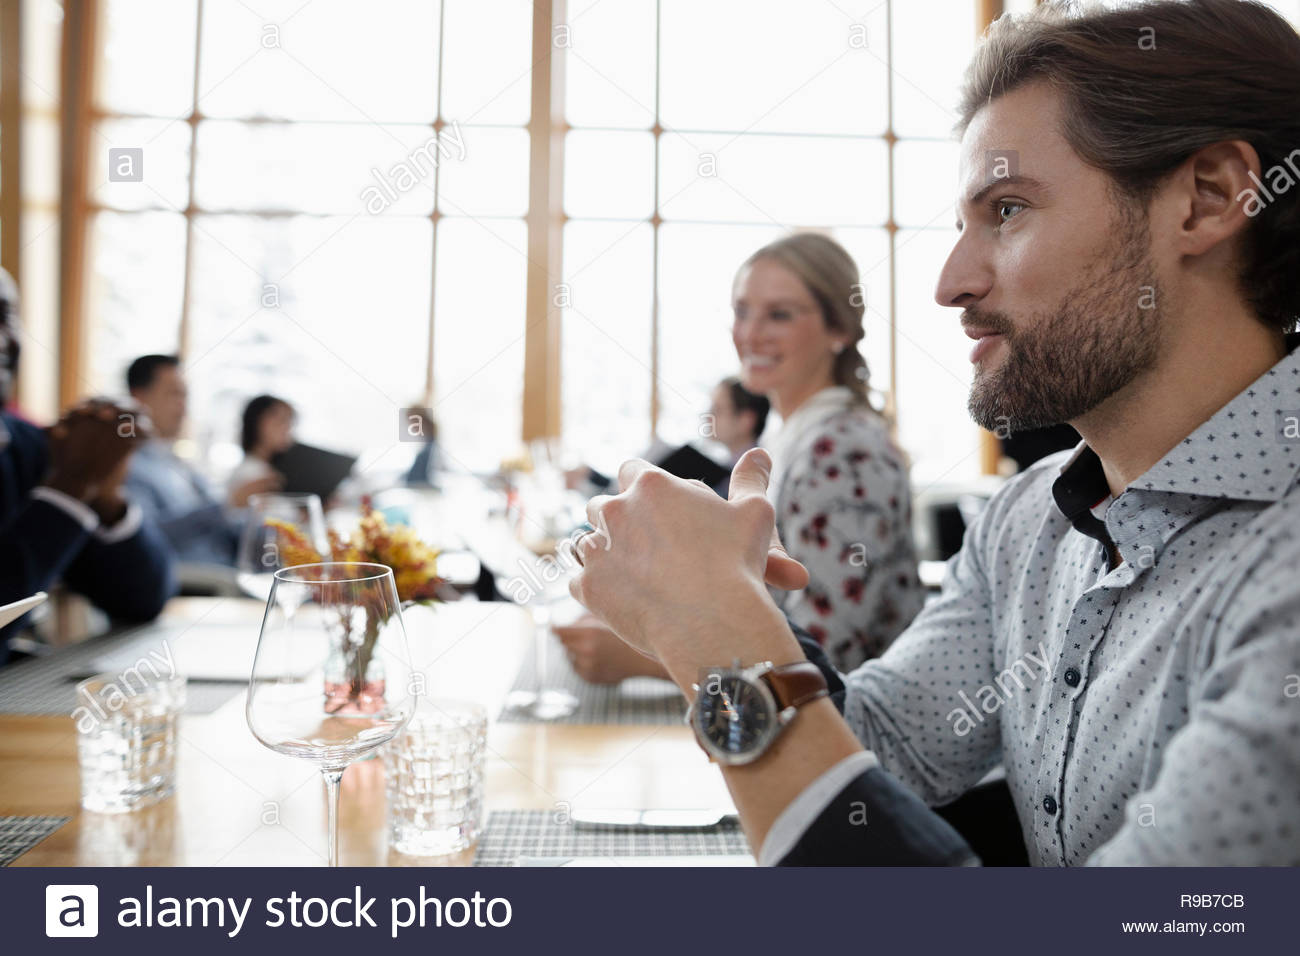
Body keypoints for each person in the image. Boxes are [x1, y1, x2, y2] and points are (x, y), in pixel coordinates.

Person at [567, 0, 1300, 866]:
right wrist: (720, 605)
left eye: (1011, 210)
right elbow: (878, 749)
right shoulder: (1026, 521)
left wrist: (718, 635)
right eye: (964, 223)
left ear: (1208, 198)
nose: (951, 282)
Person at [560, 238, 923, 681]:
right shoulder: (792, 433)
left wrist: (653, 658)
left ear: (839, 330)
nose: (750, 333)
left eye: (780, 314)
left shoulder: (843, 450)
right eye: (742, 311)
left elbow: (828, 656)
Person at [0, 269, 175, 663]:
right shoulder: (57, 465)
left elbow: (142, 600)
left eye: (5, 316)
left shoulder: (33, 447)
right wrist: (72, 485)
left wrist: (105, 493)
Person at [124, 355, 278, 567]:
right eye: (173, 394)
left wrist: (280, 533)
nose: (183, 407)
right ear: (139, 398)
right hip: (200, 583)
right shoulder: (128, 467)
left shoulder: (179, 463)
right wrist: (228, 504)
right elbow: (146, 537)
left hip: (227, 573)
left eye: (185, 396)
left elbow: (225, 524)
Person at [226, 394, 292, 505]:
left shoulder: (272, 470)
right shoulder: (248, 475)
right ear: (257, 422)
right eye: (281, 420)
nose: (287, 428)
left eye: (290, 422)